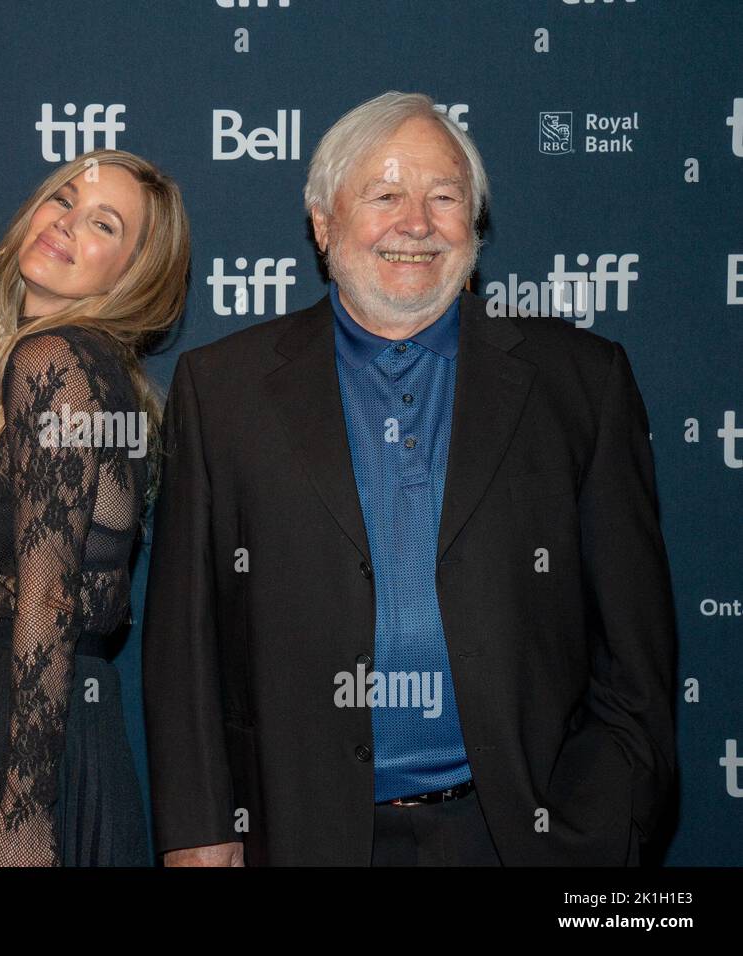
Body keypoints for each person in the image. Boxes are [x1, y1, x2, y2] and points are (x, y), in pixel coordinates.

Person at [142, 91, 675, 866]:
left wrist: (602, 825)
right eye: (385, 195)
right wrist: (199, 831)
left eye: (445, 197)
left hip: (519, 840)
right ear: (324, 224)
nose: (417, 224)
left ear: (475, 226)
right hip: (301, 834)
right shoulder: (221, 391)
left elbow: (638, 653)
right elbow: (185, 644)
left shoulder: (581, 383)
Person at [0, 149, 190, 866]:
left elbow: (50, 594)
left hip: (20, 737)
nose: (65, 223)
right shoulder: (77, 367)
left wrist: (22, 818)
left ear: (133, 274)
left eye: (104, 225)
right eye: (62, 199)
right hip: (7, 726)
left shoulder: (53, 362)